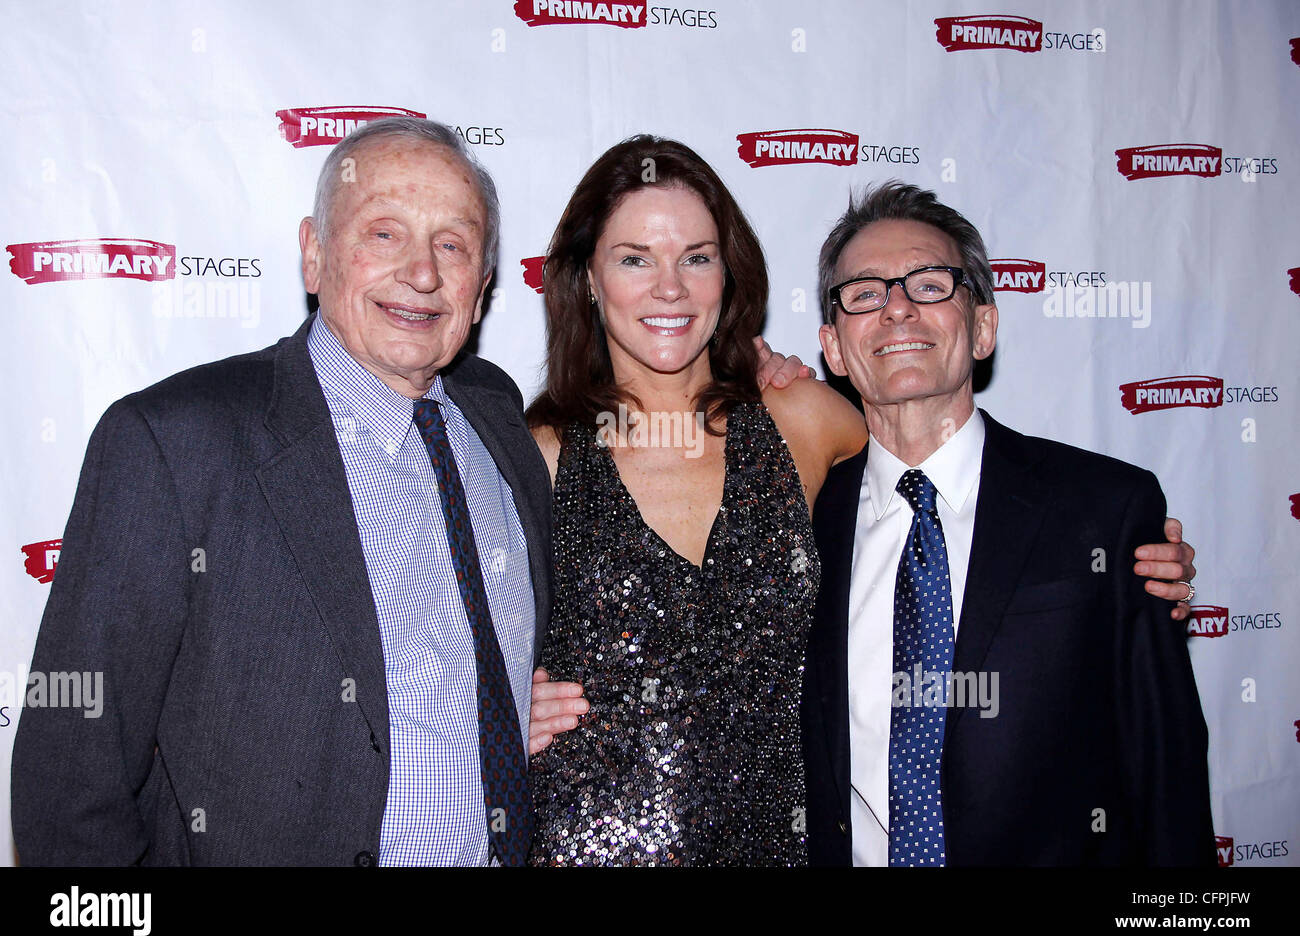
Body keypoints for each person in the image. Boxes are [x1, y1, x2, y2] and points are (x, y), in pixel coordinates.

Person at [521, 141, 1198, 866]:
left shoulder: (804, 426)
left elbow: (1166, 768)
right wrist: (499, 705)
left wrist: (1140, 567)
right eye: (634, 258)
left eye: (696, 257)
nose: (670, 288)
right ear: (587, 279)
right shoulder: (534, 458)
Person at [11, 117, 552, 866]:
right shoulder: (176, 441)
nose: (423, 273)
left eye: (453, 245)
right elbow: (70, 776)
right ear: (314, 253)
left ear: (483, 287)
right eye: (384, 233)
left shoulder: (495, 417)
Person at [801, 182, 1214, 866]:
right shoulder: (802, 522)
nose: (897, 306)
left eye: (930, 285)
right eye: (865, 294)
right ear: (835, 348)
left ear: (984, 327)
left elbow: (1164, 771)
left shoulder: (1105, 511)